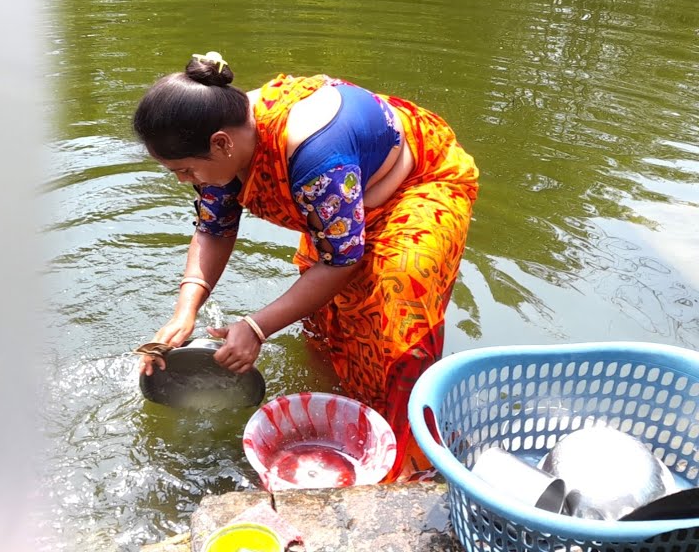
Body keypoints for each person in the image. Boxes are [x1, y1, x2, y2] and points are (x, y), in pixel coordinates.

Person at [133, 52, 478, 479]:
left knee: (394, 295)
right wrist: (185, 311)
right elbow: (213, 229)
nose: (185, 181)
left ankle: (410, 456)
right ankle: (343, 393)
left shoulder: (315, 159)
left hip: (417, 183)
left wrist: (256, 328)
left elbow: (340, 260)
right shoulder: (224, 151)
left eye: (185, 170)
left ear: (222, 143)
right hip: (346, 195)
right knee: (331, 314)